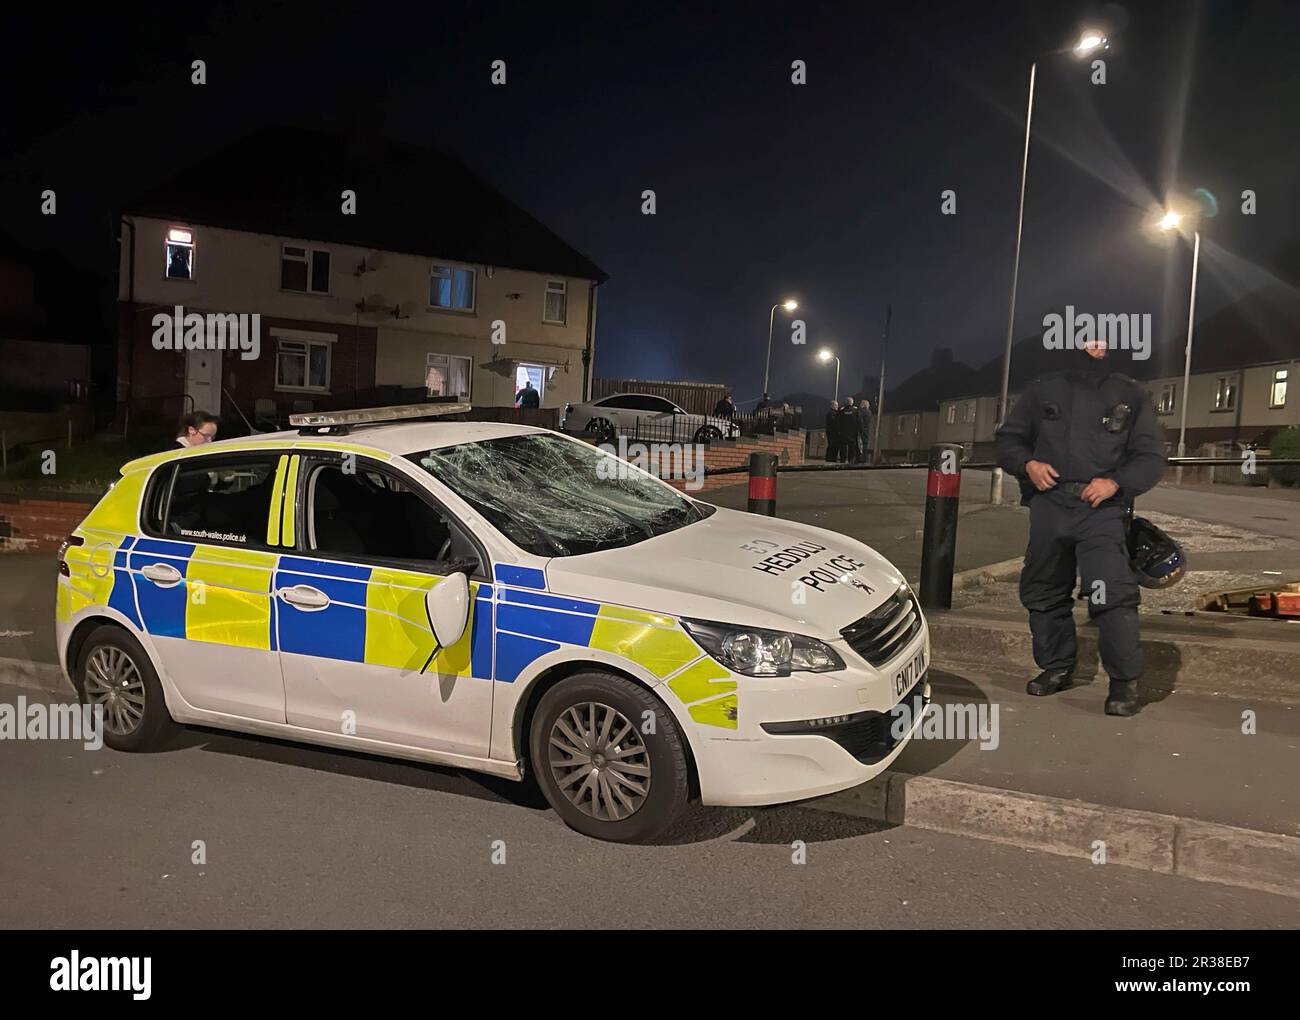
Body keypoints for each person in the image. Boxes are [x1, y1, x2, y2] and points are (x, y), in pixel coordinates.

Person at [995, 337, 1167, 716]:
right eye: (1089, 337)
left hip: (1101, 509)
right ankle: (1056, 668)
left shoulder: (1131, 393)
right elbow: (1008, 441)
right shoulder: (1042, 389)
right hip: (1049, 504)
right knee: (1043, 590)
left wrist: (1116, 482)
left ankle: (1123, 683)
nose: (1097, 346)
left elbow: (1151, 456)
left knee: (1111, 593)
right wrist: (1028, 465)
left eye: (1105, 338)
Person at [857, 399, 873, 463]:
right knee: (865, 445)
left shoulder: (860, 412)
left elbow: (859, 422)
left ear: (862, 404)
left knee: (859, 445)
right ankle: (864, 459)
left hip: (860, 431)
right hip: (867, 430)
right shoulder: (869, 412)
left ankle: (859, 459)